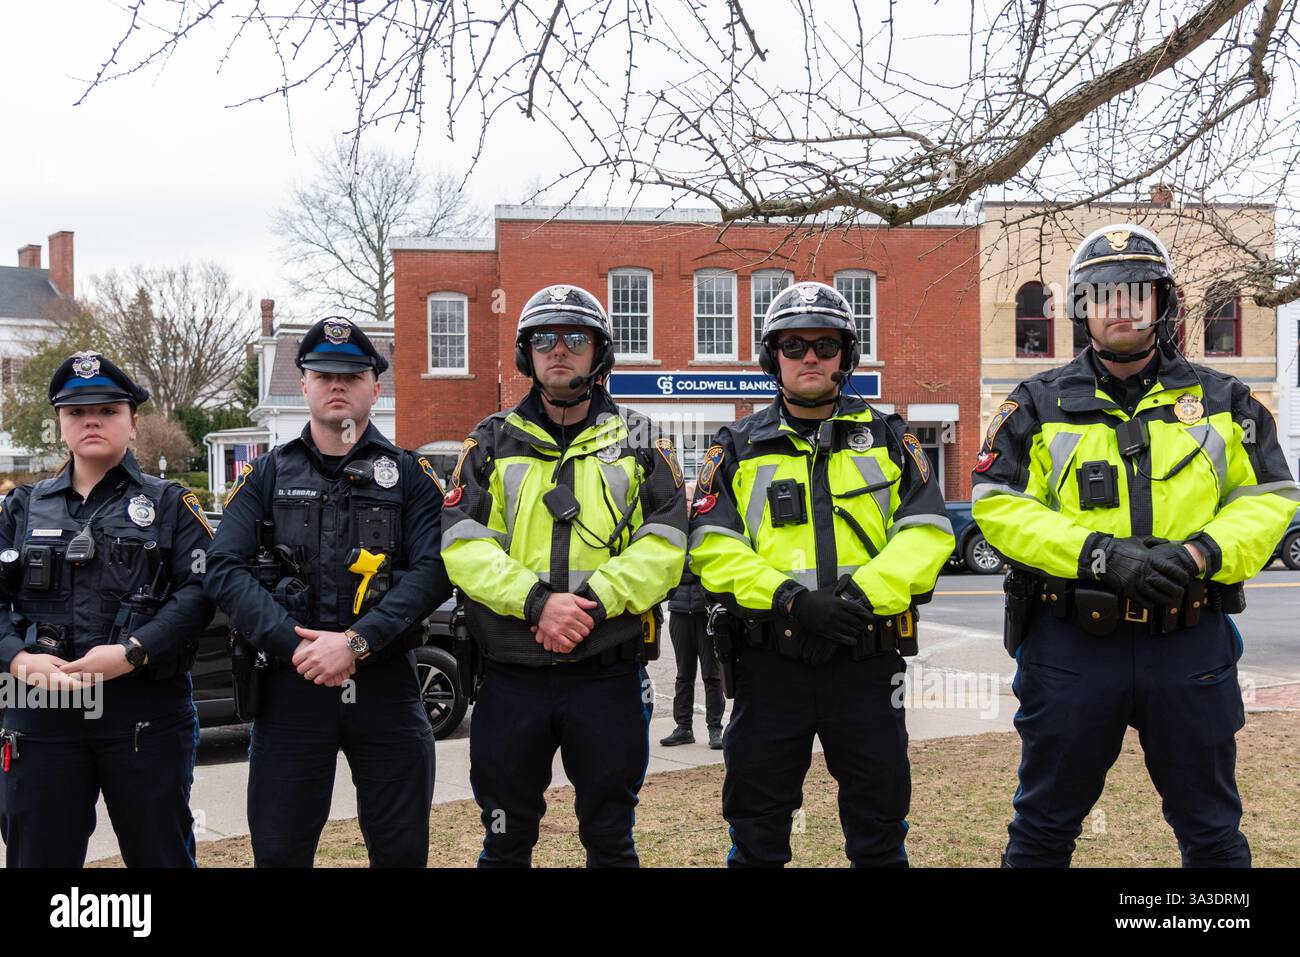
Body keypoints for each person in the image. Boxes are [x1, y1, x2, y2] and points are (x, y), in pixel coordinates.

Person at [973, 224, 1300, 868]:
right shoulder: (1034, 403)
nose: (1120, 305)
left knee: (1211, 832)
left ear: (1162, 302)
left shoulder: (1226, 400)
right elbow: (998, 506)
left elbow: (1273, 499)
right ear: (1080, 307)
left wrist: (1202, 552)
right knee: (1041, 830)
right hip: (1070, 646)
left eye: (1136, 291)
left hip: (1188, 641)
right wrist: (1095, 553)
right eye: (1102, 292)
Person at [689, 281, 954, 867]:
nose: (809, 356)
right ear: (771, 357)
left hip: (865, 660)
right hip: (768, 665)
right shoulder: (735, 445)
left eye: (825, 345)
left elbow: (929, 532)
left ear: (846, 357)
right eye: (793, 345)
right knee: (757, 831)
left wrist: (857, 597)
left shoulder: (891, 437)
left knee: (879, 828)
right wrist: (789, 599)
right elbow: (711, 545)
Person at [441, 284, 686, 867]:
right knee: (504, 838)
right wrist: (535, 603)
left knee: (610, 838)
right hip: (511, 676)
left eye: (574, 338)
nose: (559, 350)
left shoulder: (643, 439)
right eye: (544, 339)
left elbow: (669, 543)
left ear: (599, 352)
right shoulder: (489, 440)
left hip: (607, 675)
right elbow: (460, 542)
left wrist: (592, 603)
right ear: (527, 354)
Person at [204, 316, 451, 867]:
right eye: (323, 374)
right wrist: (296, 646)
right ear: (306, 384)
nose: (337, 384)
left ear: (375, 388)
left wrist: (358, 642)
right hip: (291, 690)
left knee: (401, 850)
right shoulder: (266, 474)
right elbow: (222, 567)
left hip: (386, 684)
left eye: (353, 374)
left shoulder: (409, 476)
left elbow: (436, 570)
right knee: (280, 852)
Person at [0, 352, 214, 867]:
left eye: (107, 410)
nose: (90, 420)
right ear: (59, 425)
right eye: (76, 412)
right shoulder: (21, 507)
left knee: (160, 855)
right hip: (39, 714)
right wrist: (16, 658)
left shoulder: (170, 505)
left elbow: (202, 594)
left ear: (134, 423)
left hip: (144, 712)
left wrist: (135, 650)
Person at [660, 487, 726, 750]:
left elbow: (707, 566)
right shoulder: (673, 531)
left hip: (705, 613)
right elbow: (669, 569)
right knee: (683, 674)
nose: (686, 504)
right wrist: (691, 568)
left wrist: (688, 568)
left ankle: (715, 729)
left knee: (712, 674)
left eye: (690, 499)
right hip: (678, 612)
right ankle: (683, 727)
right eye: (683, 500)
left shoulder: (704, 528)